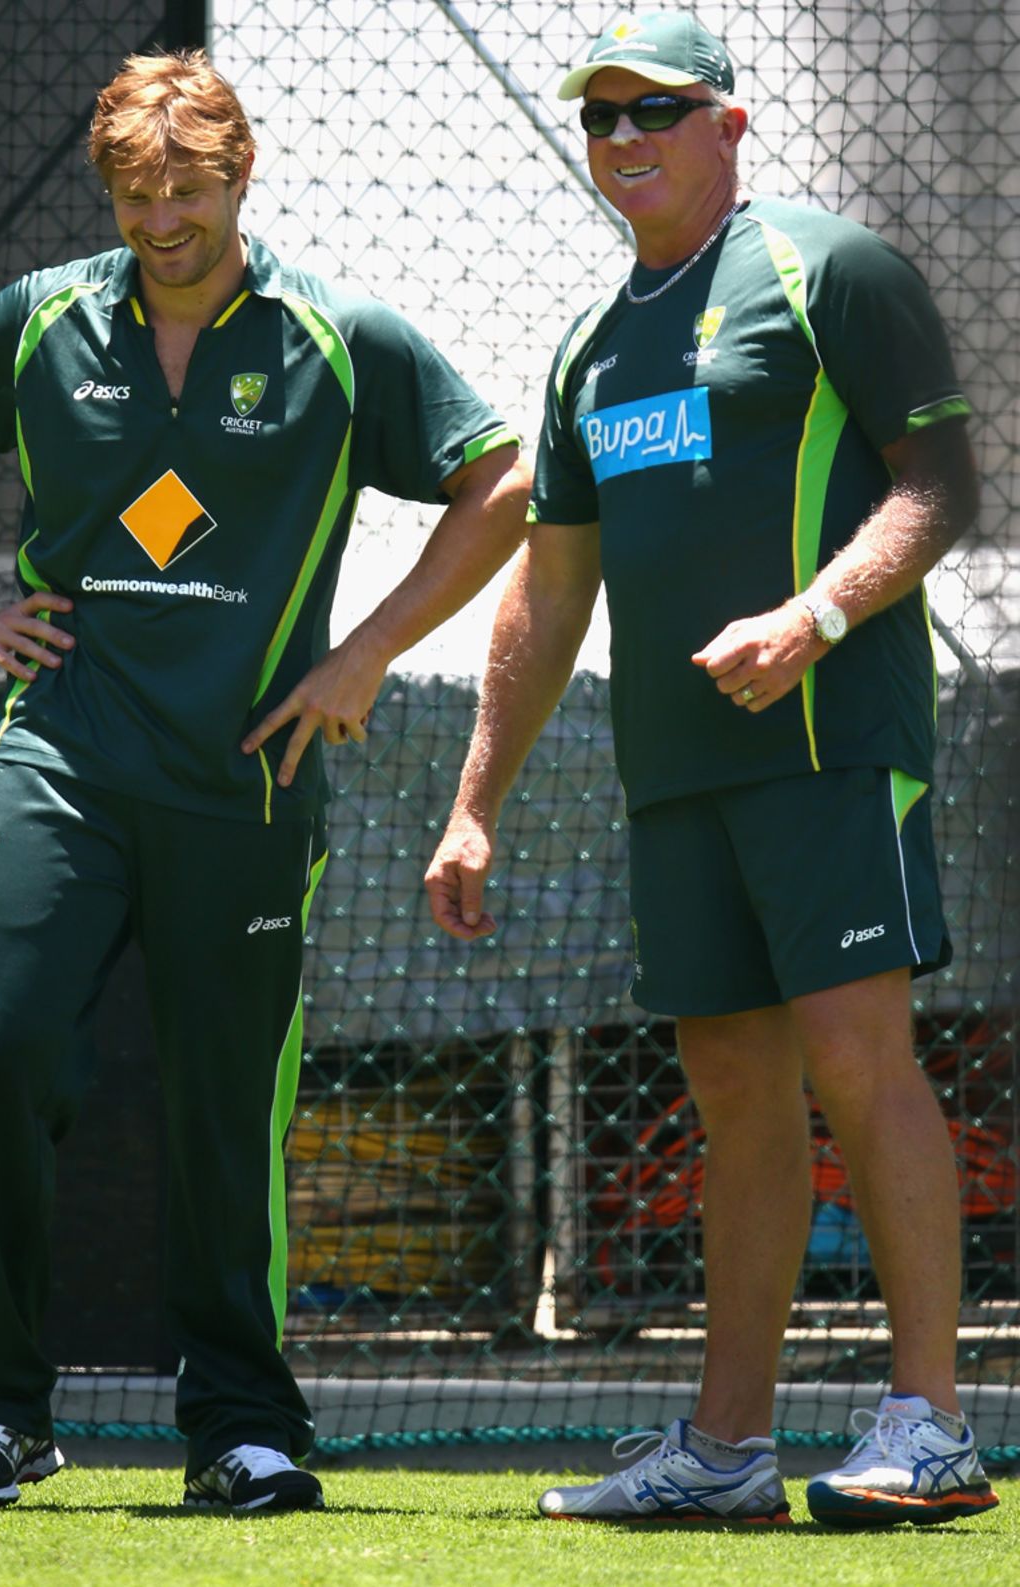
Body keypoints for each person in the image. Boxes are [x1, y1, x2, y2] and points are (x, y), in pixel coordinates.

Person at [0, 49, 530, 1513]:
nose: (162, 222)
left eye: (189, 191)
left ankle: (242, 1424)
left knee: (227, 1110)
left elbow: (501, 479)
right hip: (62, 756)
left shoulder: (335, 336)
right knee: (0, 1045)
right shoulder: (41, 320)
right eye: (135, 195)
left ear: (243, 175)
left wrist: (361, 657)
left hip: (248, 782)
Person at [425, 10, 998, 1529]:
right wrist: (474, 802)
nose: (623, 140)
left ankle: (933, 1429)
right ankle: (727, 1450)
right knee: (730, 1087)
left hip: (831, 745)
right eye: (602, 116)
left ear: (728, 124)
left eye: (654, 111)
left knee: (857, 1059)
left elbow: (944, 484)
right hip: (673, 778)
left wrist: (815, 617)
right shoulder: (590, 349)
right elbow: (548, 594)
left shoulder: (832, 271)